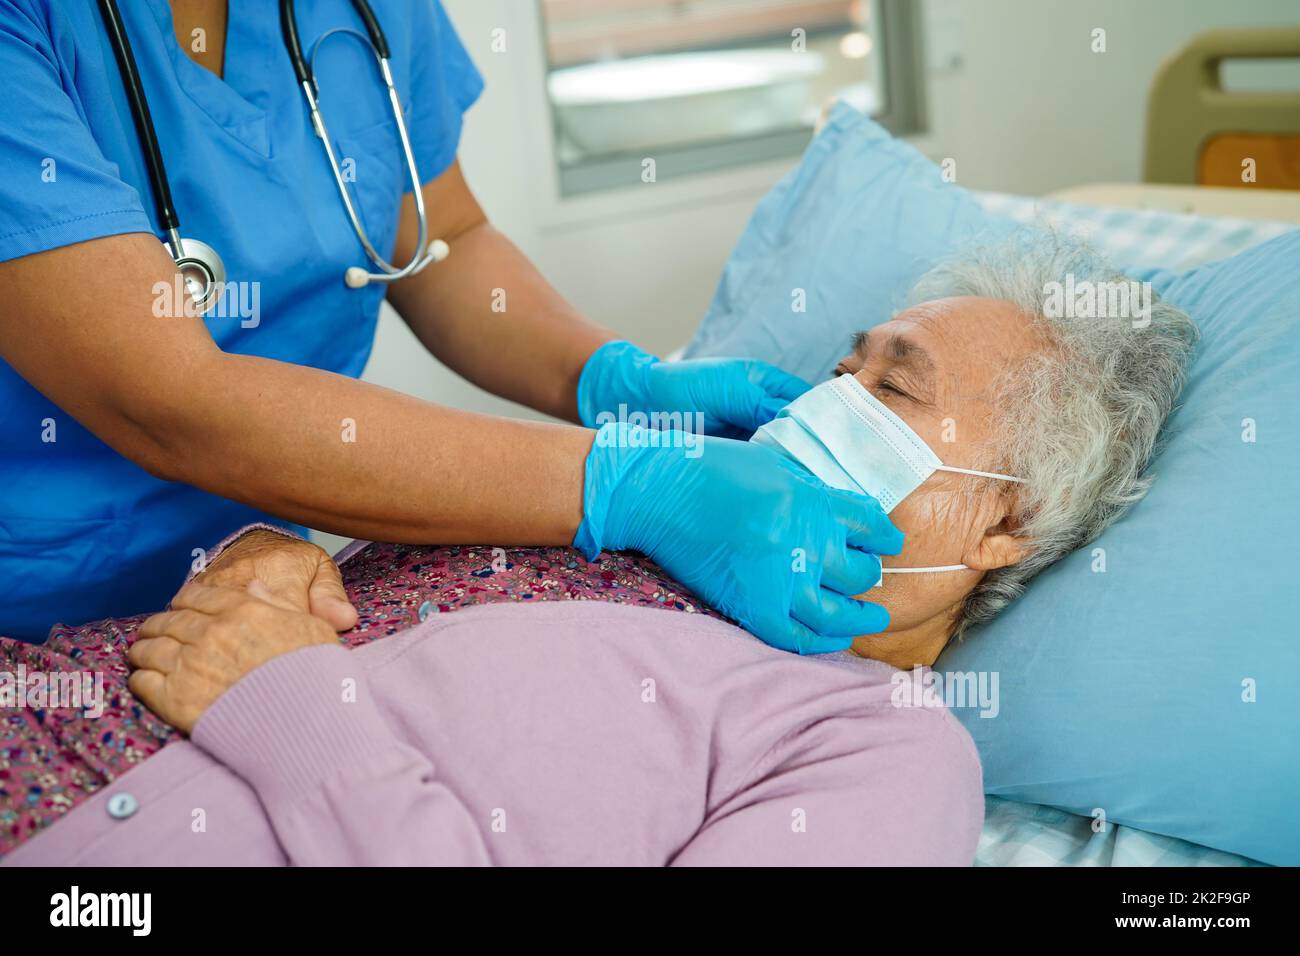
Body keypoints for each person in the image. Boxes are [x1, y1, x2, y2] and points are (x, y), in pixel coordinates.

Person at [0, 234, 1195, 865]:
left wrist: (293, 707)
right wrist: (269, 544)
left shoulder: (884, 750)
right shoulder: (646, 511)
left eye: (894, 388)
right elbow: (325, 531)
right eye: (841, 364)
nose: (829, 396)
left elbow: (294, 691)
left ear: (1005, 520)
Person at [0, 0, 895, 653]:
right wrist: (627, 483)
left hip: (272, 576)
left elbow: (446, 240)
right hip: (35, 610)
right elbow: (170, 400)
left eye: (897, 386)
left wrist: (610, 378)